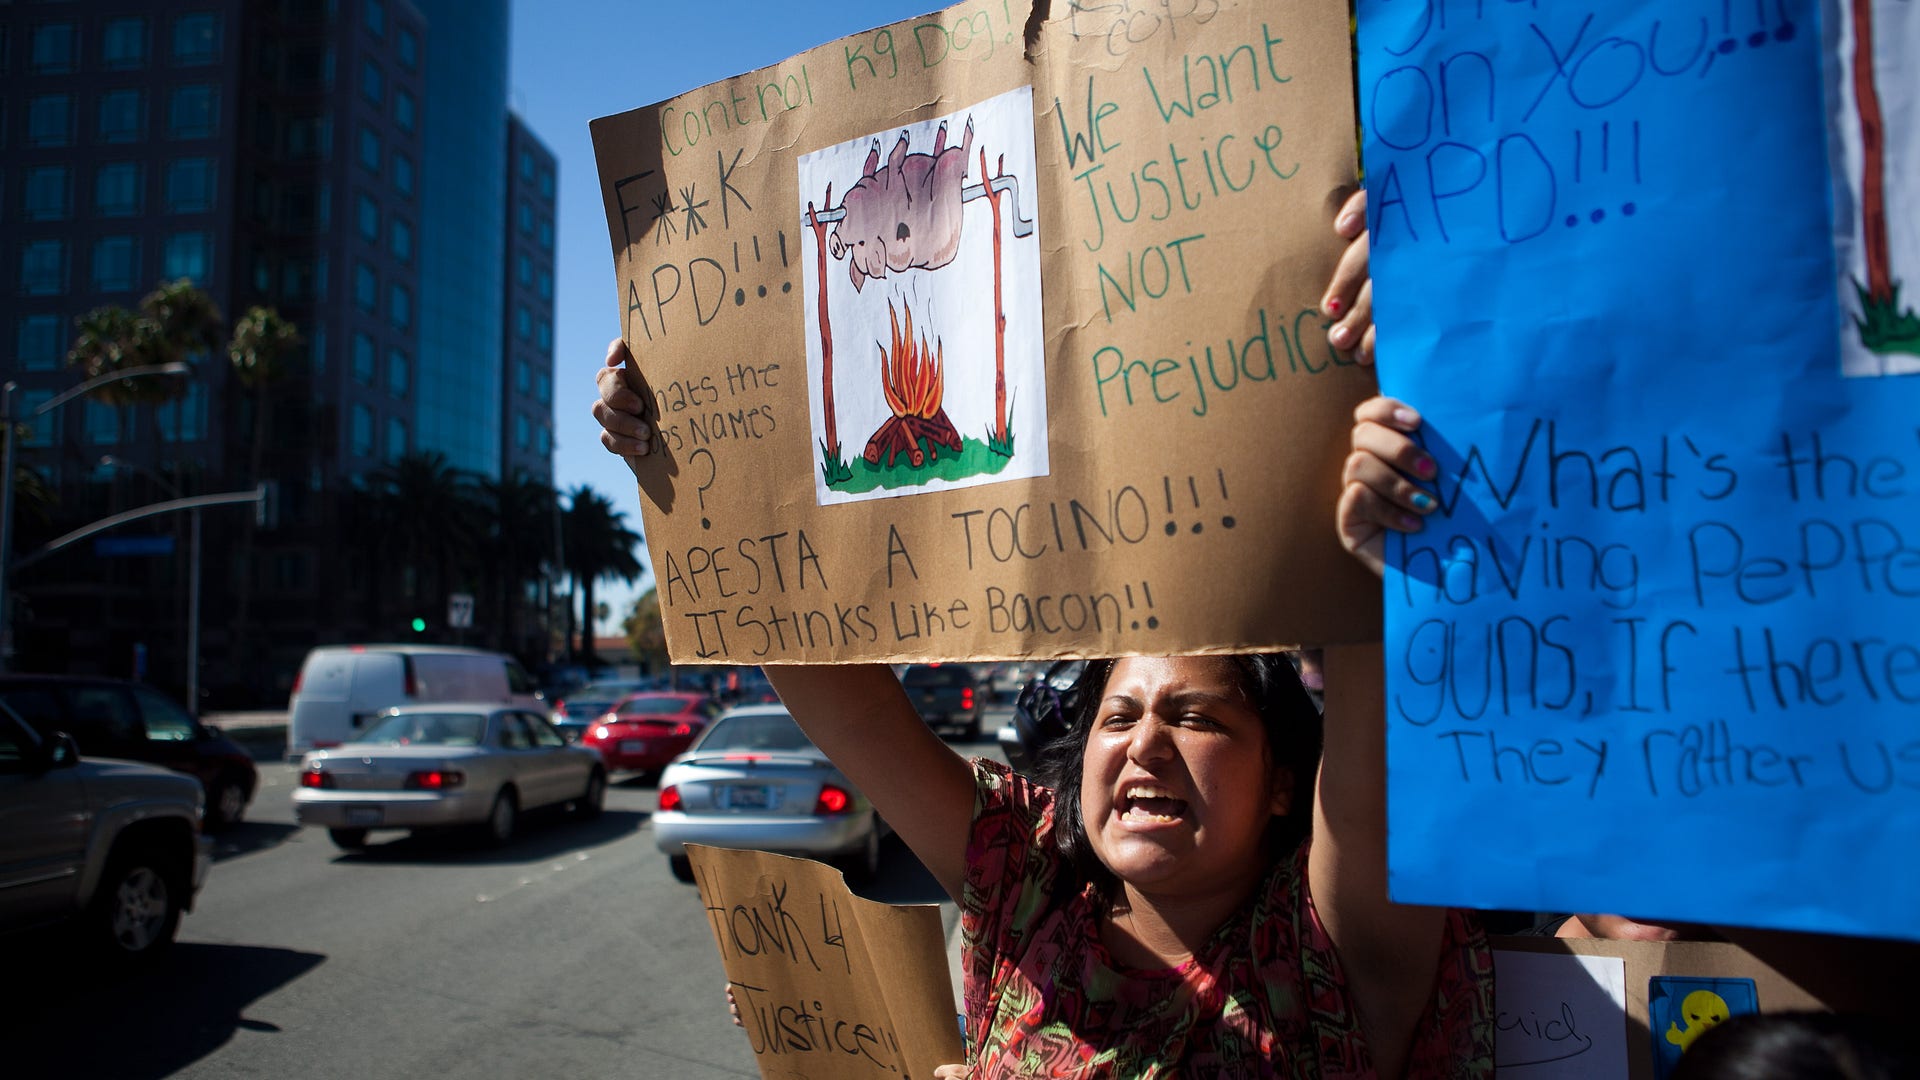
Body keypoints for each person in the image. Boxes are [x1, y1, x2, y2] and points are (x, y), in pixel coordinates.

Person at [594, 188, 1495, 1075]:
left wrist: (1397, 360)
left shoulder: (1332, 952)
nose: (1145, 745)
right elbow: (857, 714)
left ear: (1284, 784)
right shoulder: (1025, 886)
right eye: (1118, 716)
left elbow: (1375, 767)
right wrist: (698, 451)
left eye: (1197, 718)